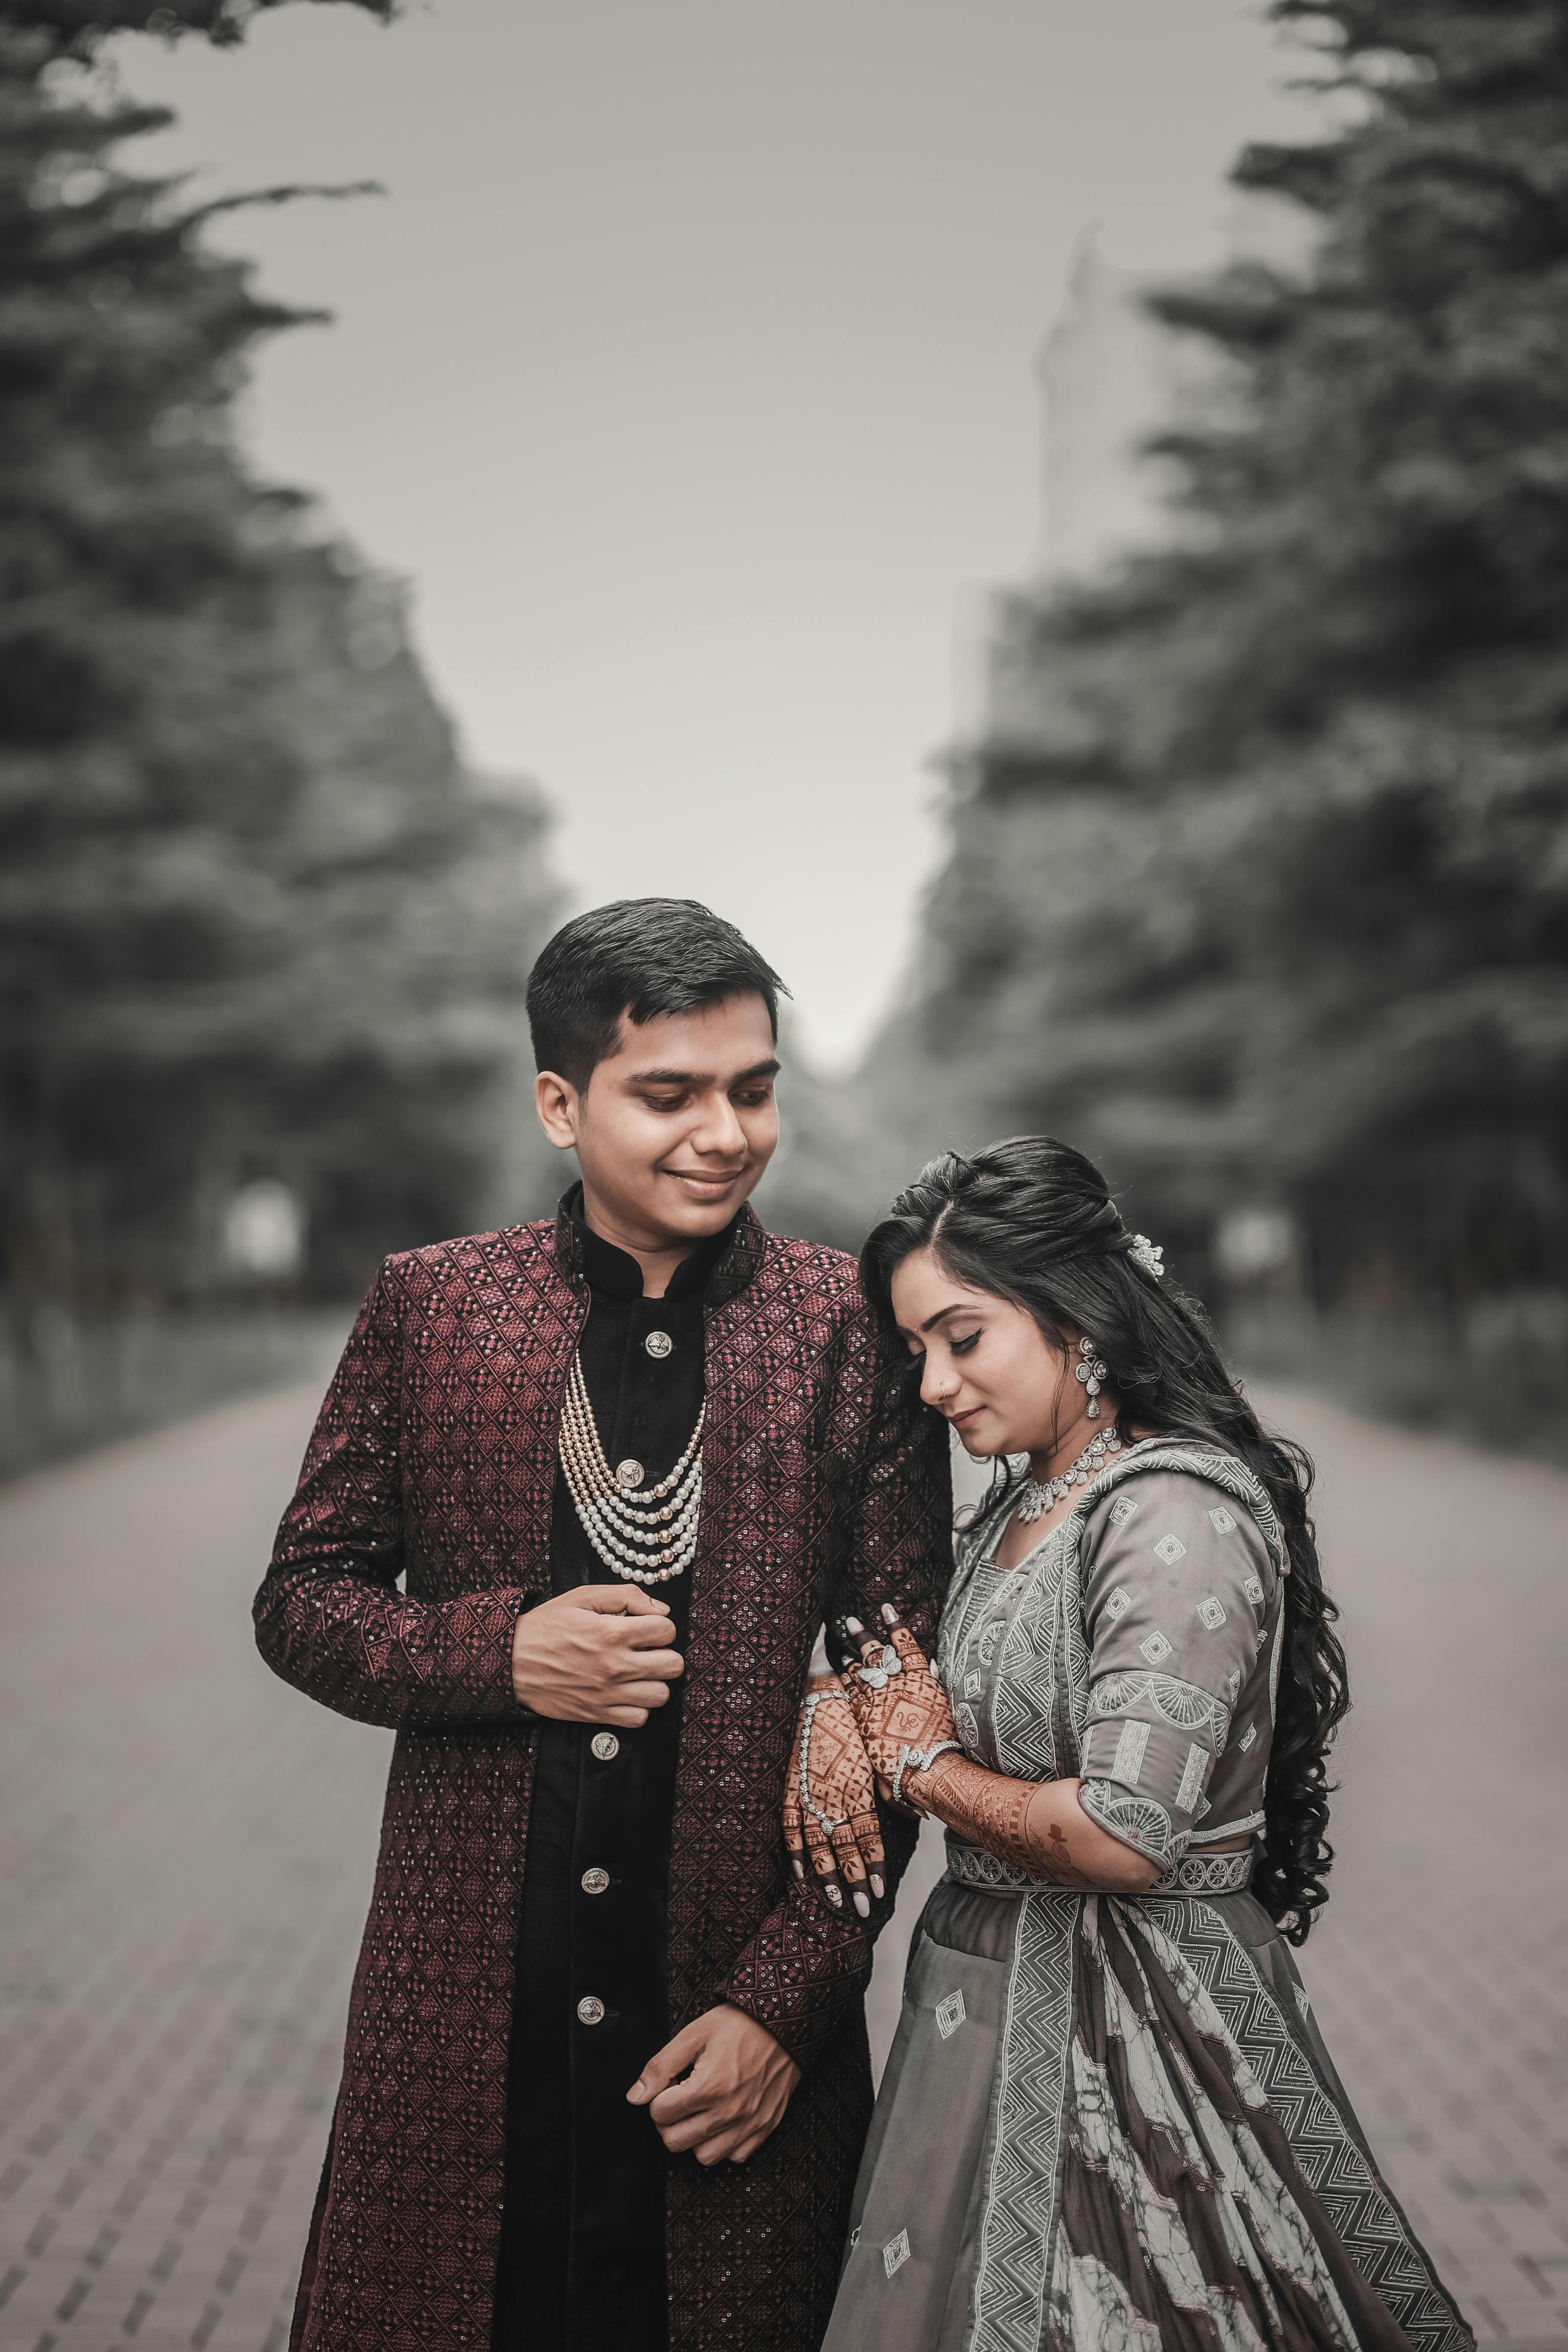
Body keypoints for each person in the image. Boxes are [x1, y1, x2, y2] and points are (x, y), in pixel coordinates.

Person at [253, 898, 952, 2352]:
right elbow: (303, 1601)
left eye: (754, 1090)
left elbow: (901, 1697)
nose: (725, 1132)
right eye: (670, 1094)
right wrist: (495, 1652)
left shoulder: (847, 1332)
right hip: (465, 2013)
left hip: (731, 2030)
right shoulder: (433, 1308)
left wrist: (791, 2004)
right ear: (562, 1106)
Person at [790, 1136, 1473, 2352]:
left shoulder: (1171, 1509)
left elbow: (1122, 1836)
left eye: (963, 1337)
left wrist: (915, 1769)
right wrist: (833, 1713)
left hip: (1150, 2030)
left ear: (1077, 1316)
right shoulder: (1025, 1494)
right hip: (987, 1998)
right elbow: (932, 1695)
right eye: (915, 1353)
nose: (936, 1386)